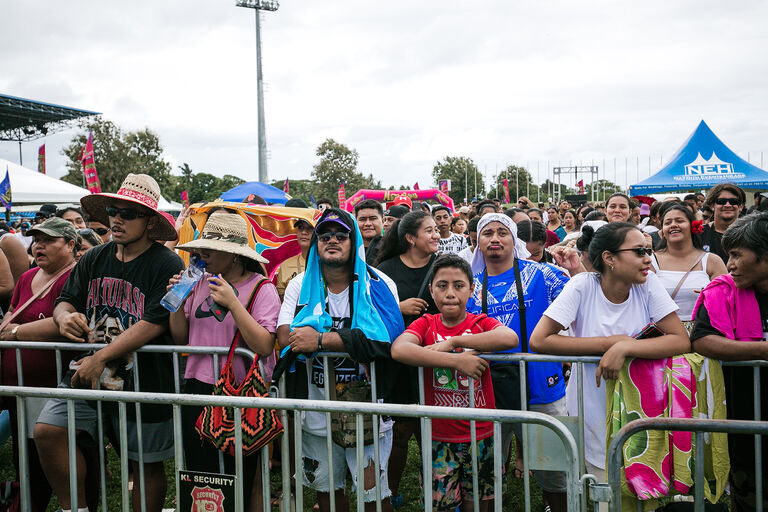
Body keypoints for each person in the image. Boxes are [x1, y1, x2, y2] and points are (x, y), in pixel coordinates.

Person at [34, 174, 185, 512]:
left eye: (128, 214)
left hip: (142, 379)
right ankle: (76, 508)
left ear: (149, 222)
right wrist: (63, 317)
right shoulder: (94, 257)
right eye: (114, 211)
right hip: (88, 372)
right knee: (48, 430)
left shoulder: (167, 264)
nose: (117, 219)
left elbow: (154, 321)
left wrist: (101, 356)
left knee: (143, 464)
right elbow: (67, 299)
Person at [530, 222, 689, 485]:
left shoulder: (648, 284)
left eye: (648, 250)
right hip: (592, 404)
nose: (648, 258)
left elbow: (680, 340)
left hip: (643, 405)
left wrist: (625, 347)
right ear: (609, 258)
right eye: (639, 251)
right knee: (605, 484)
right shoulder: (582, 286)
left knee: (644, 481)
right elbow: (540, 339)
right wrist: (609, 343)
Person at [276, 208, 403, 512]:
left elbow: (386, 340)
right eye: (324, 235)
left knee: (374, 494)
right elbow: (285, 338)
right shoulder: (299, 285)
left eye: (341, 235)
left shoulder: (379, 285)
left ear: (353, 239)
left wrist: (320, 339)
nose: (332, 241)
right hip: (316, 406)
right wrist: (352, 340)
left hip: (368, 408)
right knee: (327, 492)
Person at [169, 210, 279, 511]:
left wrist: (233, 303)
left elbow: (265, 345)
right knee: (200, 477)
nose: (202, 253)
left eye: (212, 248)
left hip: (239, 396)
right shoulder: (198, 281)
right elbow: (181, 339)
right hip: (196, 388)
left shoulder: (261, 288)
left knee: (236, 478)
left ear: (234, 256)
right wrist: (176, 302)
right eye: (202, 247)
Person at [391, 254, 518, 512]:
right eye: (442, 286)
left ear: (472, 289)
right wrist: (457, 362)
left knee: (481, 503)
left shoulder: (479, 323)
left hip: (482, 433)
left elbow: (509, 337)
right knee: (442, 505)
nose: (450, 293)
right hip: (439, 436)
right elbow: (400, 350)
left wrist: (455, 343)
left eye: (458, 286)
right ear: (431, 290)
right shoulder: (426, 324)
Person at [466, 213, 571, 512]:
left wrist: (577, 270)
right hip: (488, 388)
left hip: (541, 384)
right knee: (487, 464)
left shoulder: (543, 274)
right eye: (488, 233)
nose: (495, 238)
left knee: (553, 468)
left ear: (515, 240)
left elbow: (577, 299)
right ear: (478, 242)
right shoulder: (470, 285)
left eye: (503, 232)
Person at [0, 218, 98, 512]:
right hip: (21, 389)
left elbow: (67, 326)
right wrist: (12, 327)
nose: (38, 245)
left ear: (71, 245)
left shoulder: (75, 278)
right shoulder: (27, 276)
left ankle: (81, 506)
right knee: (26, 459)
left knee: (74, 452)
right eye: (36, 240)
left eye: (48, 240)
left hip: (57, 387)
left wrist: (16, 332)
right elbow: (11, 316)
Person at [691, 212, 768, 512]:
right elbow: (701, 339)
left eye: (737, 255)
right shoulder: (721, 291)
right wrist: (762, 351)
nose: (730, 264)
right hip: (743, 416)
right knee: (749, 494)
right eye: (728, 255)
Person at [375, 211, 440, 505]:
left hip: (437, 359)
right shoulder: (385, 269)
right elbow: (371, 311)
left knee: (437, 430)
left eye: (437, 229)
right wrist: (398, 307)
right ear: (410, 238)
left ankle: (440, 492)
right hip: (399, 362)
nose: (436, 235)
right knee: (400, 431)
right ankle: (391, 491)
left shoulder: (443, 266)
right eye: (429, 230)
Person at [651, 203, 726, 325]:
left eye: (679, 221)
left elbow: (727, 301)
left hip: (704, 333)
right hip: (663, 336)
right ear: (662, 230)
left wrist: (710, 296)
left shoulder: (712, 261)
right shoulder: (650, 262)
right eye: (667, 222)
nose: (673, 225)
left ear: (693, 226)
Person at [701, 183, 746, 262]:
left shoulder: (752, 234)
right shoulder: (699, 234)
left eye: (733, 201)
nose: (727, 205)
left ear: (741, 207)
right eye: (721, 201)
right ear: (712, 206)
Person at [275, 217, 315, 300]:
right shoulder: (286, 265)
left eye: (310, 228)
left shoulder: (326, 263)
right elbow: (282, 300)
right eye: (300, 227)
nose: (304, 232)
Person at [354, 199, 385, 265]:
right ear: (356, 222)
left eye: (372, 218)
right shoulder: (349, 251)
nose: (368, 223)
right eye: (363, 219)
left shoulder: (392, 249)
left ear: (383, 221)